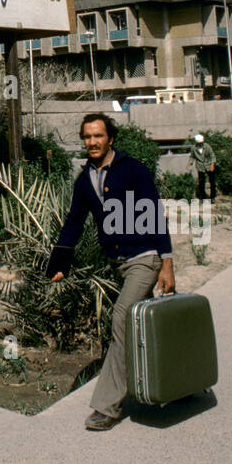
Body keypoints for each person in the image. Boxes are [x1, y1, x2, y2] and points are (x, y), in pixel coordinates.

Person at [46, 113, 175, 430]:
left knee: (121, 317)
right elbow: (74, 223)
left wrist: (167, 264)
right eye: (87, 137)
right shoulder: (84, 180)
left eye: (98, 136)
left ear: (110, 138)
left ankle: (107, 407)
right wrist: (59, 264)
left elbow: (154, 213)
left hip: (145, 258)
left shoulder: (132, 170)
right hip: (118, 264)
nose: (92, 142)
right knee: (137, 327)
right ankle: (179, 380)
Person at [189, 133, 217, 201]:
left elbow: (212, 155)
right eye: (199, 143)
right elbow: (192, 156)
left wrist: (212, 164)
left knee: (212, 181)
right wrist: (190, 162)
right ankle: (202, 197)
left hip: (208, 164)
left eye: (201, 142)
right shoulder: (194, 148)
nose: (200, 144)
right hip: (200, 166)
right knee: (201, 182)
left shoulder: (207, 146)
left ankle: (212, 197)